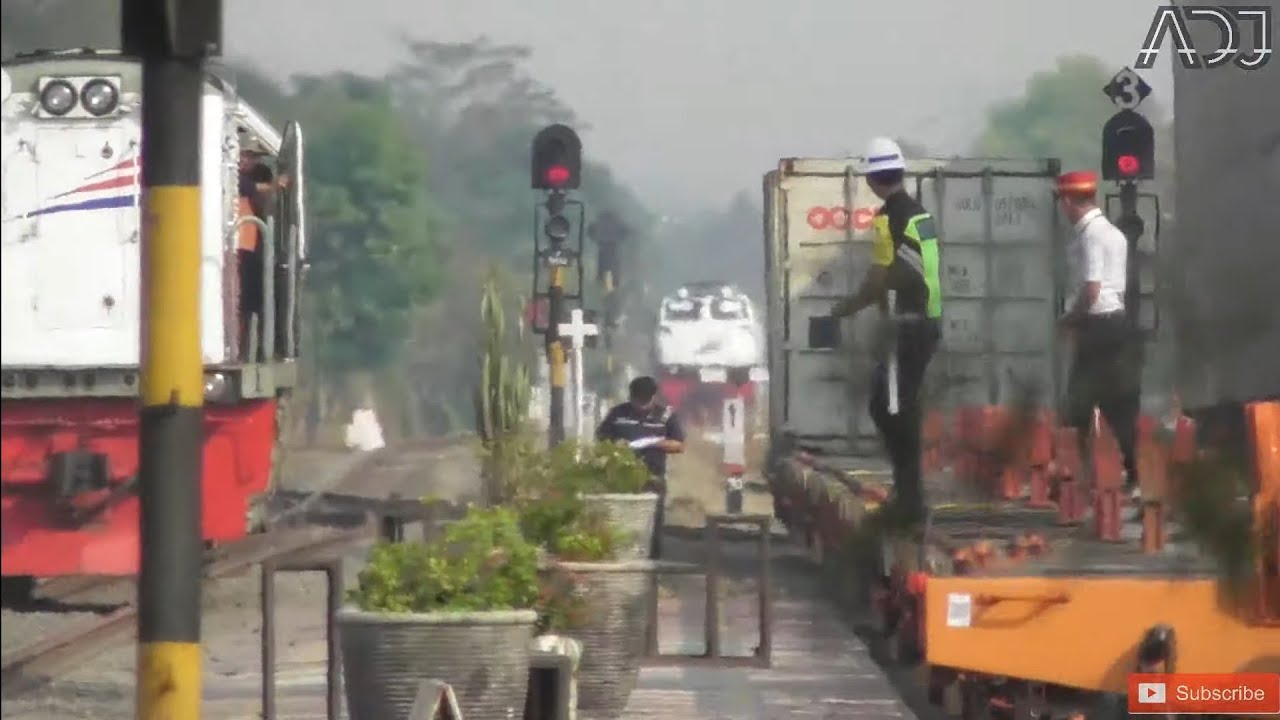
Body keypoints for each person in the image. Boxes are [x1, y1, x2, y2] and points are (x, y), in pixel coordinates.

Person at [829, 137, 943, 525]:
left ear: (874, 180)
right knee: (900, 407)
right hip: (926, 322)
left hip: (906, 327)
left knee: (890, 408)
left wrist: (846, 308)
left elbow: (879, 279)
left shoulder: (887, 219)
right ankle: (909, 494)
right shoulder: (919, 214)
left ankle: (911, 499)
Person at [1056, 170, 1140, 504]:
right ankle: (1133, 477)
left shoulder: (1090, 236)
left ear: (1067, 201)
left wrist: (1069, 320)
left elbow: (1092, 289)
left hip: (1097, 328)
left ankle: (1081, 479)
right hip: (1117, 325)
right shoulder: (1114, 233)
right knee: (1119, 406)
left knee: (1076, 406)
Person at [596, 376, 686, 558]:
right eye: (637, 400)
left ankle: (651, 567)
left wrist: (657, 443)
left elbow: (679, 445)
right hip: (620, 478)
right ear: (631, 396)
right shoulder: (618, 414)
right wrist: (616, 446)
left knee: (652, 525)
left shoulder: (665, 415)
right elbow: (601, 439)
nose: (641, 405)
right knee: (620, 523)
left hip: (652, 478)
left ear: (653, 397)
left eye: (645, 401)